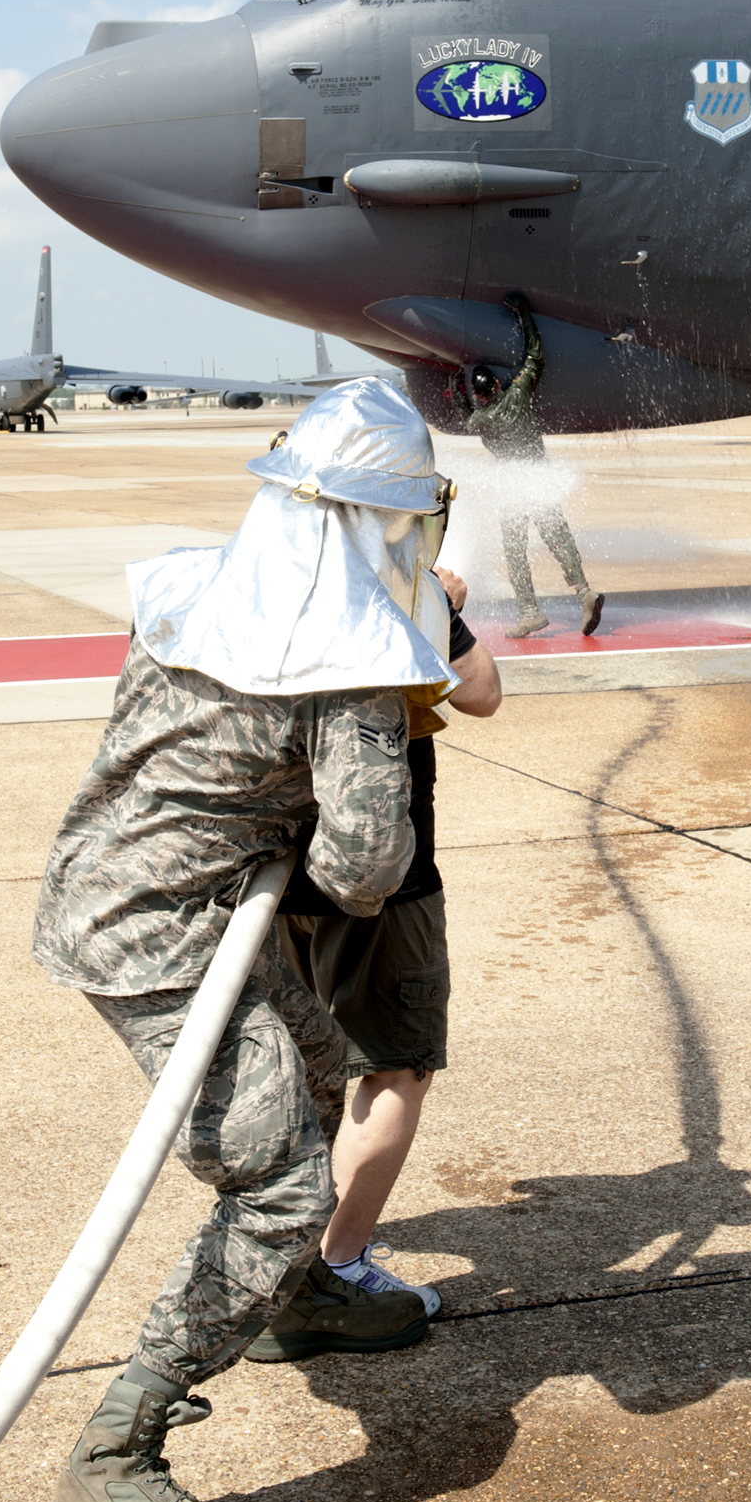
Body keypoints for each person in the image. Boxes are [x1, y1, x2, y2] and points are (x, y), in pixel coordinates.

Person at [32, 380, 463, 1502]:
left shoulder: (195, 590)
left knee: (320, 1066)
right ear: (391, 521)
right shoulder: (352, 662)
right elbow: (365, 869)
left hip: (114, 888)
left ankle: (300, 1295)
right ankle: (113, 1458)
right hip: (167, 941)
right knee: (279, 1187)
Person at [257, 563, 500, 1349]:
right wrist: (441, 613)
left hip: (264, 867)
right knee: (396, 1067)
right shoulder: (396, 592)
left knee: (291, 1074)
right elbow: (482, 693)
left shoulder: (258, 579)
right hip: (382, 875)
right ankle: (330, 1273)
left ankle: (269, 1264)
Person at [464, 292, 604, 640]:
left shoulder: (481, 420)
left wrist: (455, 384)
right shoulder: (520, 393)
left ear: (480, 396)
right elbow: (535, 357)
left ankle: (530, 611)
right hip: (538, 480)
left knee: (515, 551)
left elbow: (465, 417)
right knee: (558, 537)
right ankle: (584, 592)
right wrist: (524, 314)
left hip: (513, 488)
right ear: (498, 384)